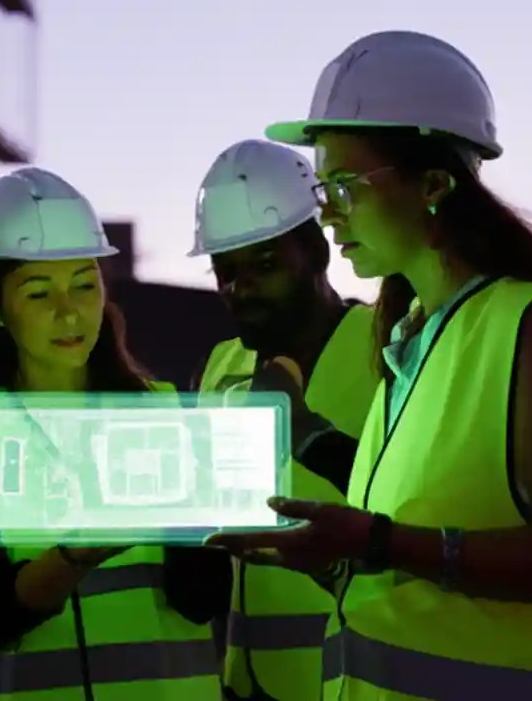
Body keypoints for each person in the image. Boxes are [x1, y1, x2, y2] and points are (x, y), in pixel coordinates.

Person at [207, 30, 532, 700]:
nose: (327, 214)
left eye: (344, 185)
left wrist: (372, 541)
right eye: (321, 190)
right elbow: (413, 570)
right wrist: (339, 558)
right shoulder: (410, 344)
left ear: (434, 184)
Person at [0, 167, 223, 699]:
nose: (69, 311)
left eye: (85, 284)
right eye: (39, 294)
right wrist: (77, 552)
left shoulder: (167, 413)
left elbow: (201, 598)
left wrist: (217, 521)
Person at [187, 139, 378, 700]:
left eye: (265, 265)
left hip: (358, 683)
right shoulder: (220, 369)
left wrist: (303, 429)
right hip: (246, 686)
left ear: (316, 252)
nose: (240, 287)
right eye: (225, 271)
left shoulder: (389, 351)